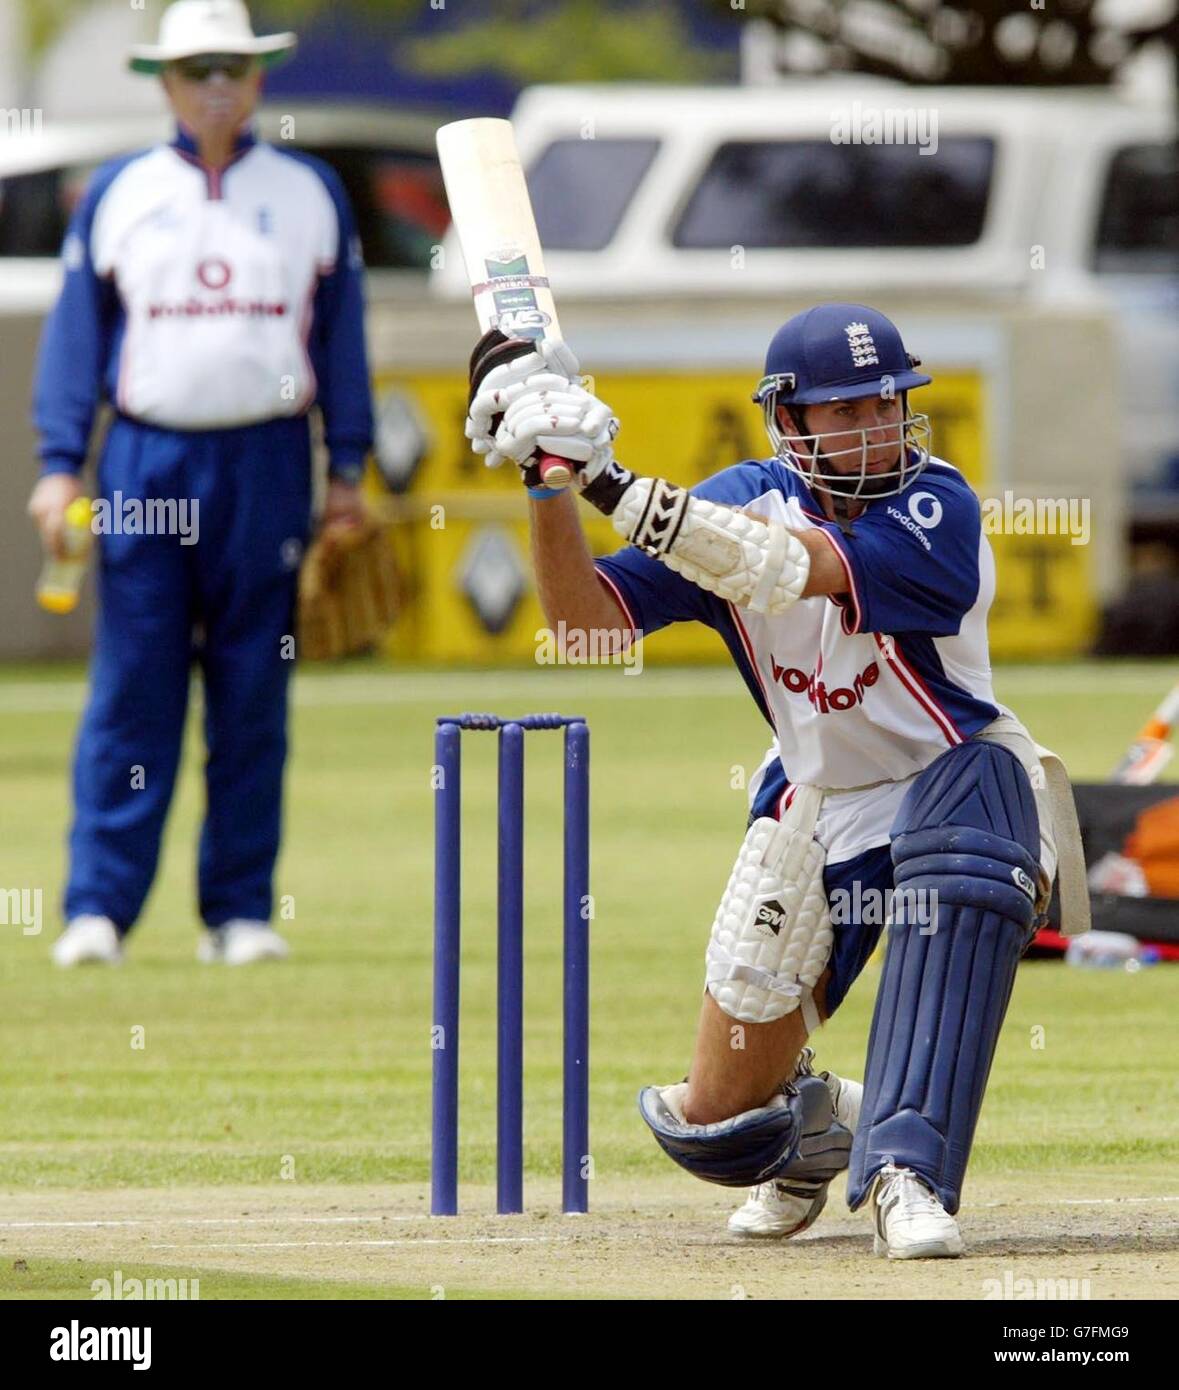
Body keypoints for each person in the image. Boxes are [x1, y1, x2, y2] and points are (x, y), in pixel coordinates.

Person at [463, 304, 1086, 1258]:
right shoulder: (740, 499)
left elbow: (784, 570)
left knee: (959, 868)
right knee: (715, 1125)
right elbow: (583, 625)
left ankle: (906, 1175)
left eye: (887, 403)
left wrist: (610, 482)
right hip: (820, 799)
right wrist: (546, 475)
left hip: (956, 774)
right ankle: (831, 1127)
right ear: (789, 425)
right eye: (845, 412)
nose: (876, 427)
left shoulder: (938, 506)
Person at [28, 0, 373, 966]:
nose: (216, 85)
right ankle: (99, 905)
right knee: (132, 686)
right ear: (165, 84)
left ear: (258, 77)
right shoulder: (120, 192)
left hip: (265, 461)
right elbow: (76, 340)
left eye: (232, 66)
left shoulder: (308, 191)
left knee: (251, 687)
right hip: (146, 457)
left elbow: (339, 338)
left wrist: (345, 468)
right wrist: (60, 466)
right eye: (196, 70)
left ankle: (238, 911)